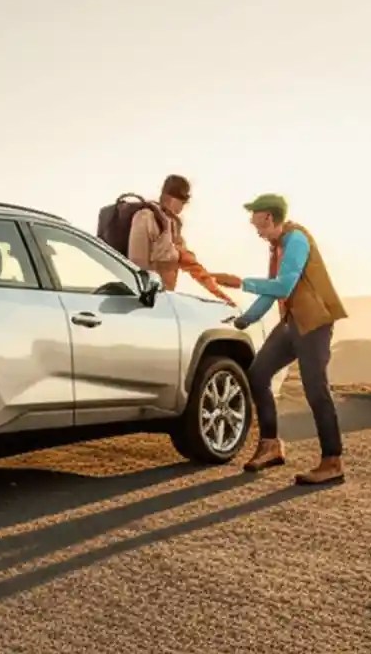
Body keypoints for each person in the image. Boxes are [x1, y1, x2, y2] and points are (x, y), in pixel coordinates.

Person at [210, 193, 348, 485]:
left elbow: (284, 285)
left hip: (313, 324)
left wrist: (239, 282)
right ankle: (271, 445)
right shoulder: (278, 246)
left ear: (269, 217)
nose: (254, 227)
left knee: (315, 389)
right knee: (258, 375)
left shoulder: (296, 240)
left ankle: (332, 460)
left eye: (256, 220)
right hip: (291, 324)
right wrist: (245, 319)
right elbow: (273, 291)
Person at [126, 174, 234, 304]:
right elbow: (137, 261)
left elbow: (190, 264)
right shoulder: (146, 217)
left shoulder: (172, 223)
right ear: (170, 198)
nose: (182, 207)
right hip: (147, 296)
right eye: (182, 202)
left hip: (164, 295)